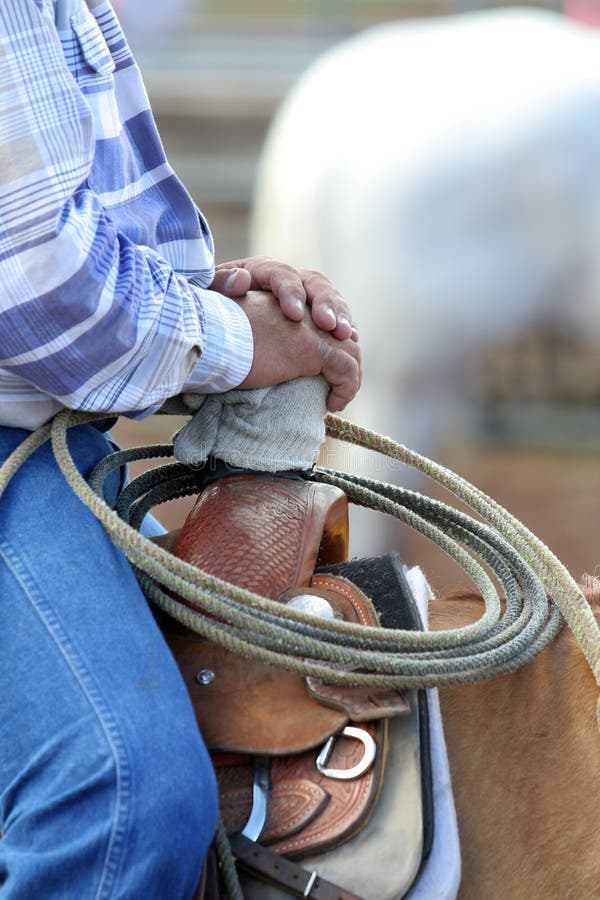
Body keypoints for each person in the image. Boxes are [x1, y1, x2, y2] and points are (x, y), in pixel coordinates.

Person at [0, 1, 361, 897]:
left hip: (51, 444)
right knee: (122, 795)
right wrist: (233, 342)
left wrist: (206, 292)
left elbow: (63, 213)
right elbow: (30, 278)